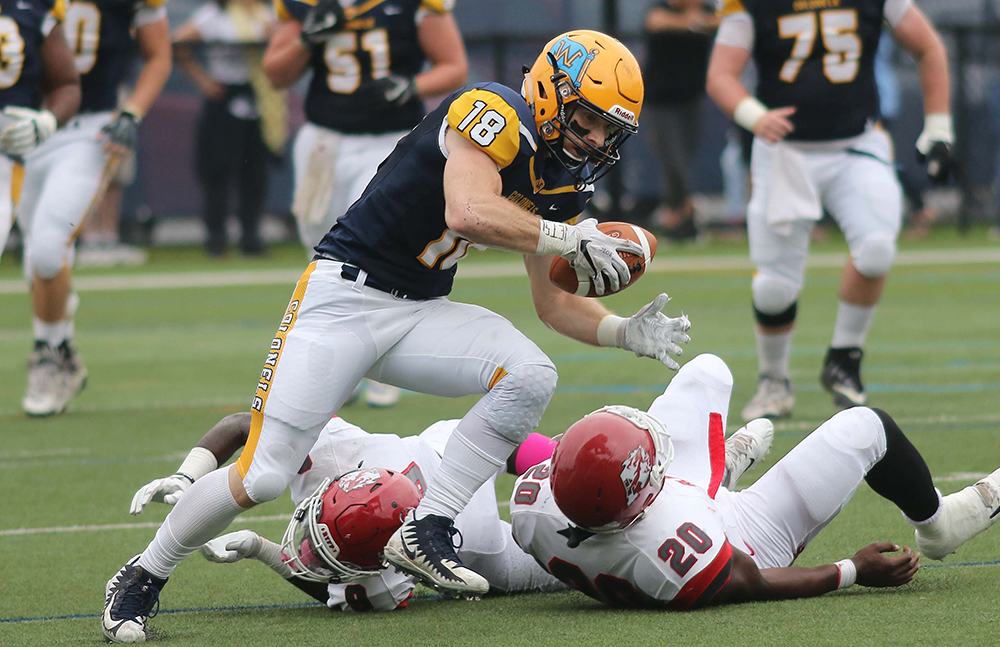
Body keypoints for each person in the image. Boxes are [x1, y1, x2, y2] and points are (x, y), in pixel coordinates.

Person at [101, 30, 694, 642]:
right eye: (588, 122)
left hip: (418, 311)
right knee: (263, 476)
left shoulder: (560, 178)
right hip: (344, 300)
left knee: (530, 373)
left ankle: (427, 526)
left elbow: (553, 304)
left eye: (608, 133)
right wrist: (567, 237)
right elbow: (466, 211)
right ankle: (144, 574)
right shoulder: (491, 108)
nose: (594, 141)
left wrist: (623, 331)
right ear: (551, 91)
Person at [510, 353, 1000, 609]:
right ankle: (941, 524)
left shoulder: (535, 504)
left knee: (707, 371)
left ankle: (717, 475)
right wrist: (852, 569)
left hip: (670, 509)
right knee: (866, 427)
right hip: (739, 536)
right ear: (645, 498)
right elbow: (757, 581)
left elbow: (549, 459)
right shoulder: (676, 553)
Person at [705, 0, 955, 420]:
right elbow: (721, 75)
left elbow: (928, 47)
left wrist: (939, 127)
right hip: (784, 151)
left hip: (856, 145)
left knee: (876, 248)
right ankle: (774, 378)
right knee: (774, 287)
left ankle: (845, 359)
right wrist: (754, 115)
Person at [118, 413, 563, 625]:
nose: (304, 549)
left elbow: (328, 583)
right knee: (500, 440)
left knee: (573, 542)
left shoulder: (384, 580)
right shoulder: (334, 448)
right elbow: (246, 423)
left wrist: (264, 551)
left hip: (483, 548)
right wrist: (188, 475)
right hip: (441, 443)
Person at [262, 0, 469, 407]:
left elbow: (453, 66)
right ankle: (336, 361)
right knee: (321, 252)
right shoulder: (306, 5)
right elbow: (276, 73)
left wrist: (412, 86)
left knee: (371, 248)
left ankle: (382, 360)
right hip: (326, 142)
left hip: (391, 142)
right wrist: (307, 38)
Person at [16, 0, 172, 417]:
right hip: (20, 126)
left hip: (90, 130)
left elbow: (159, 54)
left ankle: (47, 352)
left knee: (49, 249)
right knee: (36, 256)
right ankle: (62, 346)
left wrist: (132, 112)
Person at [174, 0, 284, 257]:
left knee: (255, 172)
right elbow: (178, 43)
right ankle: (216, 238)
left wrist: (277, 38)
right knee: (218, 170)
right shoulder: (215, 15)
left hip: (260, 95)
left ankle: (251, 236)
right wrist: (203, 81)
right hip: (224, 95)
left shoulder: (267, 14)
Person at [0, 0, 80, 264]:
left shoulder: (33, 9)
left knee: (47, 251)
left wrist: (47, 121)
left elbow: (66, 84)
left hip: (3, 156)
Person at [643, 0, 718, 242]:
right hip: (659, 102)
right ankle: (685, 215)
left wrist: (695, 22)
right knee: (672, 162)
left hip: (692, 101)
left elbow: (723, 22)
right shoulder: (662, 9)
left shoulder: (709, 12)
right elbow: (655, 22)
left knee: (684, 161)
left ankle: (677, 220)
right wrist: (693, 23)